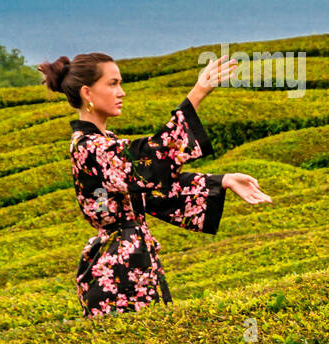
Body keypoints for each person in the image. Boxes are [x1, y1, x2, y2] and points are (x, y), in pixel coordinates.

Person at [38, 52, 272, 318]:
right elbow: (151, 159)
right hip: (117, 273)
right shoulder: (90, 147)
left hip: (130, 261)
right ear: (88, 93)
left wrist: (224, 181)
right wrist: (196, 95)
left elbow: (153, 191)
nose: (121, 92)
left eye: (120, 83)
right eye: (112, 84)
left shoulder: (102, 142)